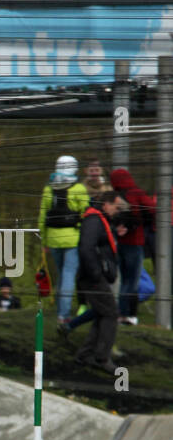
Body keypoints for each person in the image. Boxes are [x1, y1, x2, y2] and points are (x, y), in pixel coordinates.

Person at [70, 191, 122, 373]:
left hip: (93, 275)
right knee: (111, 313)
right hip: (92, 277)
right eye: (116, 206)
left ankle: (84, 355)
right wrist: (95, 272)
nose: (117, 211)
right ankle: (102, 357)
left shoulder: (101, 220)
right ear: (106, 204)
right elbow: (86, 248)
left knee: (102, 313)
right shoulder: (94, 220)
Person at [38, 155, 90, 333]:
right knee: (68, 275)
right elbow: (86, 213)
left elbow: (42, 218)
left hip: (53, 238)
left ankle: (61, 310)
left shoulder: (48, 189)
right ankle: (64, 314)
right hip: (73, 238)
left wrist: (44, 240)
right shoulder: (79, 189)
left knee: (61, 274)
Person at [109, 168, 155, 325]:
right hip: (135, 243)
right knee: (133, 281)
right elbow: (151, 208)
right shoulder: (136, 193)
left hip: (120, 244)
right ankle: (128, 315)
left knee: (124, 280)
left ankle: (122, 314)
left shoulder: (114, 197)